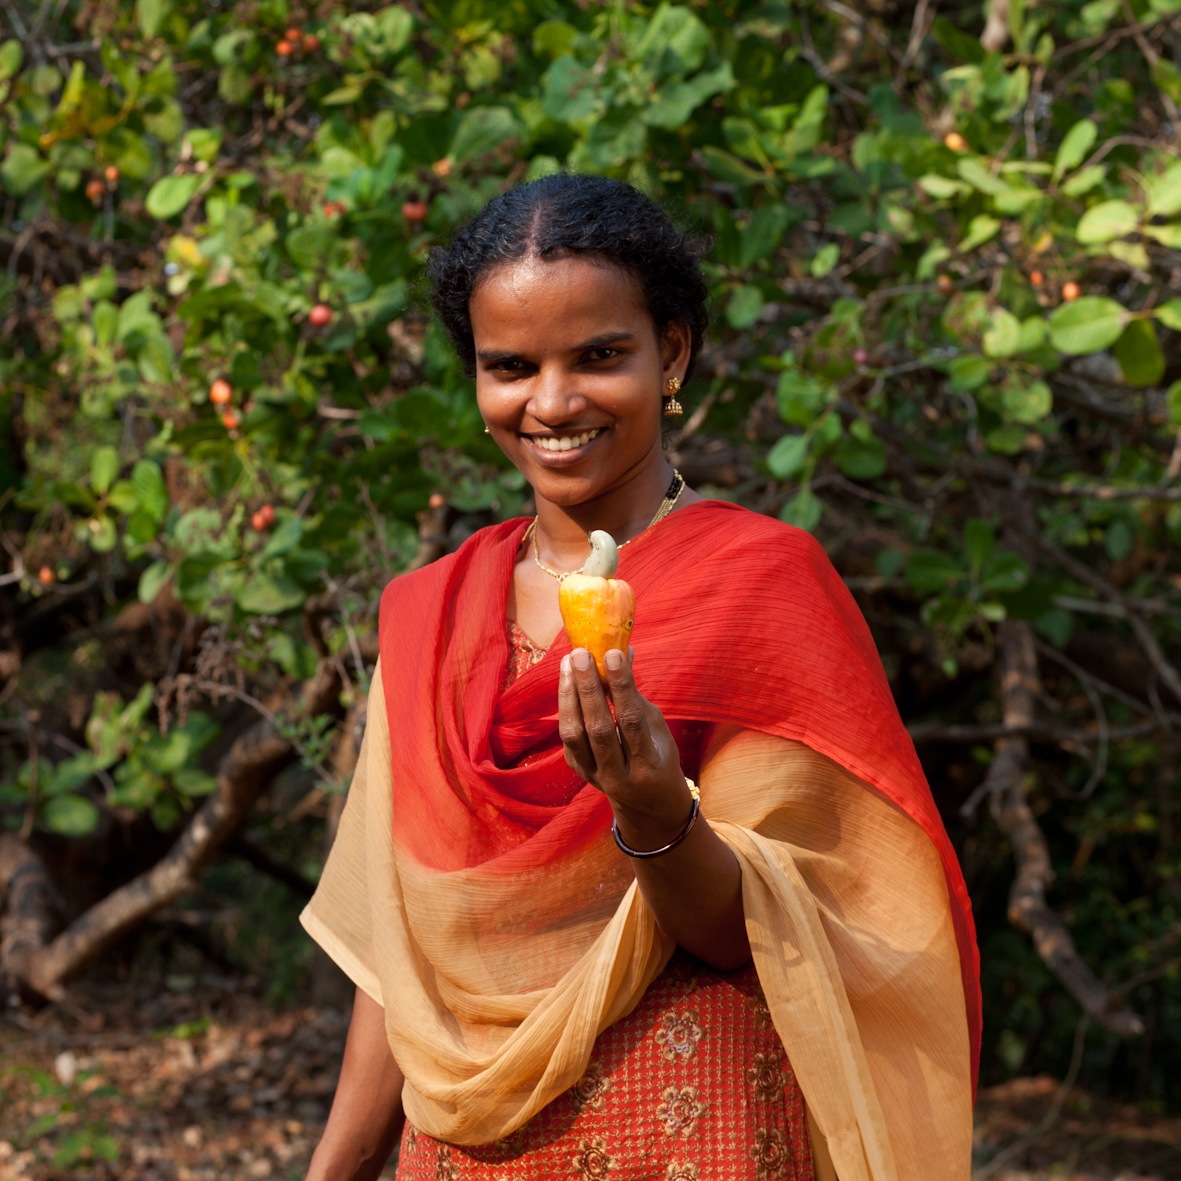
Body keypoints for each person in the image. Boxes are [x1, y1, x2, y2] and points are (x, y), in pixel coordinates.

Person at [301, 173, 980, 1181]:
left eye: (599, 356)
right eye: (509, 366)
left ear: (671, 351)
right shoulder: (428, 613)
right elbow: (403, 953)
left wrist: (649, 801)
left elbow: (745, 933)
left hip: (690, 1132)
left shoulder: (759, 587)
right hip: (460, 1144)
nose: (551, 401)